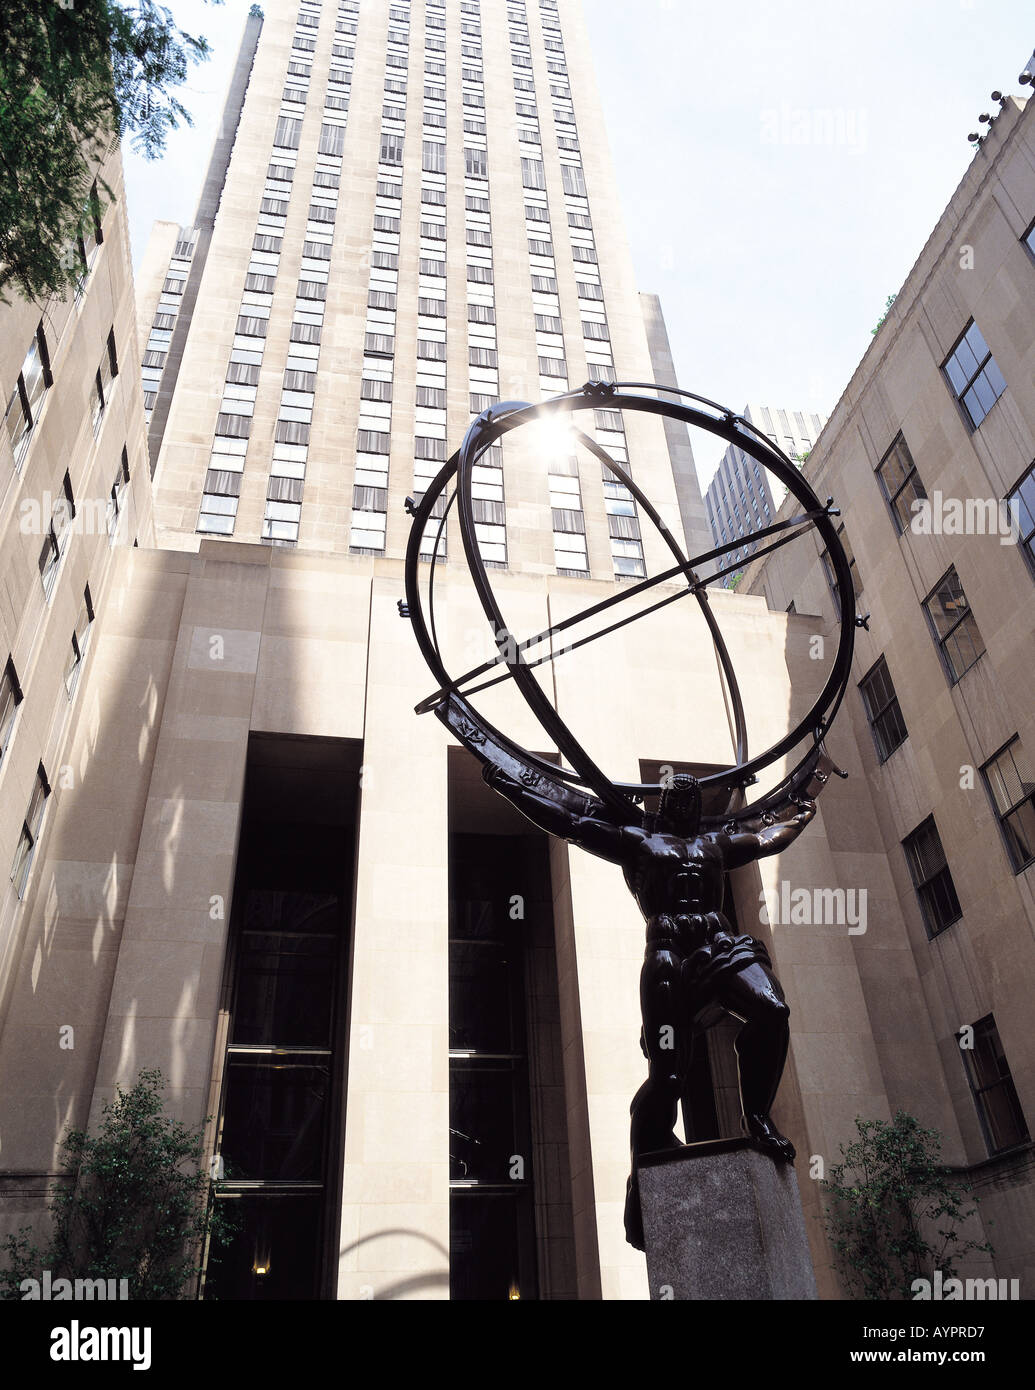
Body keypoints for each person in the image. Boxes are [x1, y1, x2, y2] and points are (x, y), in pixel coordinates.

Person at [481, 764, 816, 1249]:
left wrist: (806, 803)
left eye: (690, 796)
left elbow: (769, 837)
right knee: (670, 1077)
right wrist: (508, 785)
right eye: (675, 796)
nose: (684, 800)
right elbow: (567, 822)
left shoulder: (715, 844)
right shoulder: (638, 843)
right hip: (668, 957)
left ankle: (757, 1118)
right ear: (663, 806)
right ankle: (645, 1172)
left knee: (772, 1010)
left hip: (719, 947)